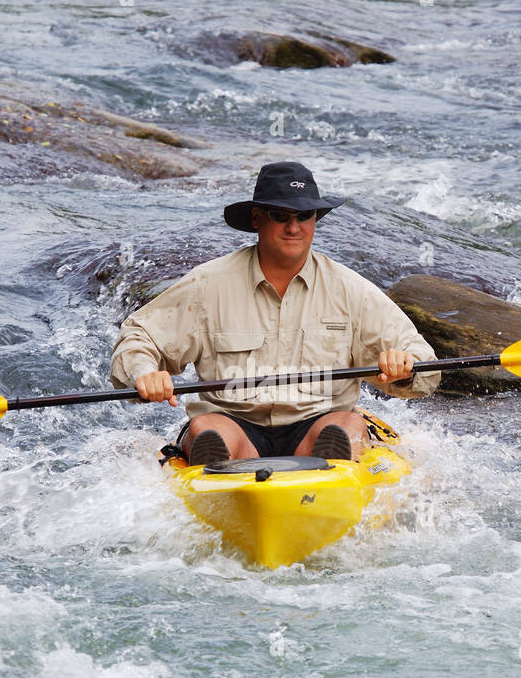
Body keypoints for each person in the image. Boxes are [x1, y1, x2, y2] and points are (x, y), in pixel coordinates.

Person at [110, 161, 440, 464]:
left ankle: (328, 476)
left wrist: (405, 367)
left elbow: (423, 361)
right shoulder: (206, 284)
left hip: (319, 425)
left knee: (346, 426)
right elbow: (139, 336)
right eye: (281, 215)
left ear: (315, 221)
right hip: (233, 424)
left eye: (304, 215)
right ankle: (221, 476)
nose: (293, 227)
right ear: (257, 219)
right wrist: (144, 373)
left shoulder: (352, 290)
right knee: (206, 430)